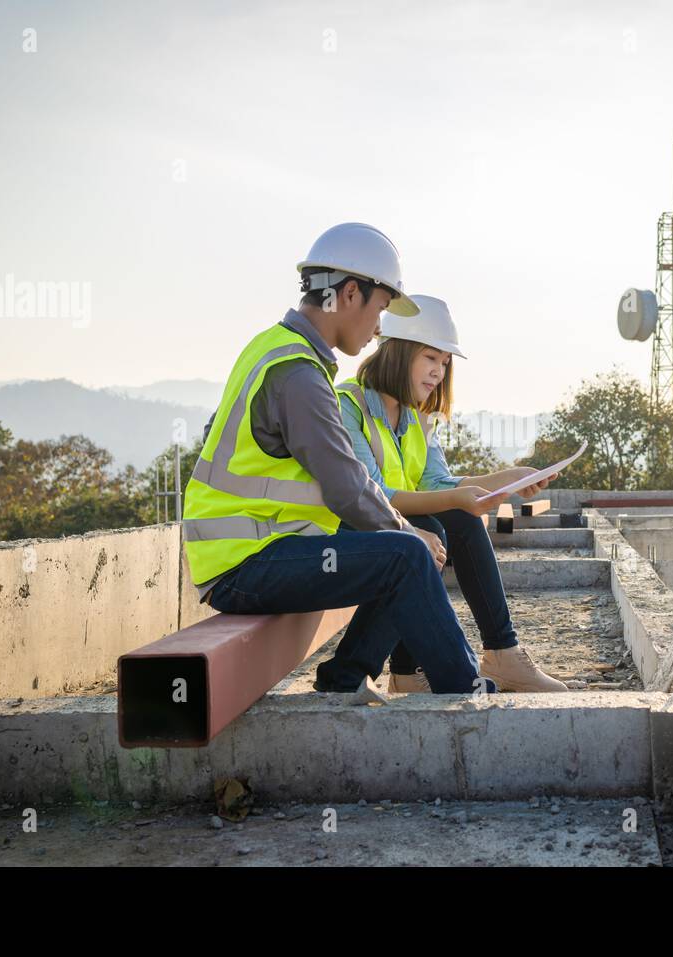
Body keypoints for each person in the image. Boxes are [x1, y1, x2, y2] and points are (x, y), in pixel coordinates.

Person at [183, 223, 493, 694]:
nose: (377, 329)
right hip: (245, 566)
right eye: (382, 309)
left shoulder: (272, 349)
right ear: (351, 294)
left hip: (253, 553)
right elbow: (348, 487)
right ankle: (466, 690)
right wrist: (409, 533)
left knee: (408, 547)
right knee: (407, 555)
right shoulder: (299, 373)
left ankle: (346, 678)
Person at [325, 294, 568, 693]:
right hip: (345, 535)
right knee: (425, 528)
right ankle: (407, 670)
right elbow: (374, 494)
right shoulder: (348, 404)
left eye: (444, 362)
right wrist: (458, 500)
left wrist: (513, 477)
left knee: (458, 520)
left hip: (389, 528)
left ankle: (501, 654)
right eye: (430, 358)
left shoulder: (418, 416)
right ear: (398, 353)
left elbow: (439, 485)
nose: (439, 371)